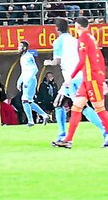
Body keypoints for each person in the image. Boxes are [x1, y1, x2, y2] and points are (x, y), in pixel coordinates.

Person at [51, 17, 108, 148]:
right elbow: (99, 58)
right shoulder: (91, 39)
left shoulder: (83, 39)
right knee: (76, 107)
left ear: (77, 26)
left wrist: (71, 76)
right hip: (86, 79)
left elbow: (82, 61)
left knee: (99, 109)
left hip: (90, 79)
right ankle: (68, 139)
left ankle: (105, 133)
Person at [17, 40, 48, 126]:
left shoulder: (28, 56)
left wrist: (27, 80)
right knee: (29, 101)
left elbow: (35, 69)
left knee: (24, 100)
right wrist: (19, 81)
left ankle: (30, 121)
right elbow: (24, 71)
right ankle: (44, 115)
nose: (18, 48)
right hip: (27, 80)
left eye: (20, 46)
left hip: (30, 81)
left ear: (25, 48)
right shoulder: (23, 57)